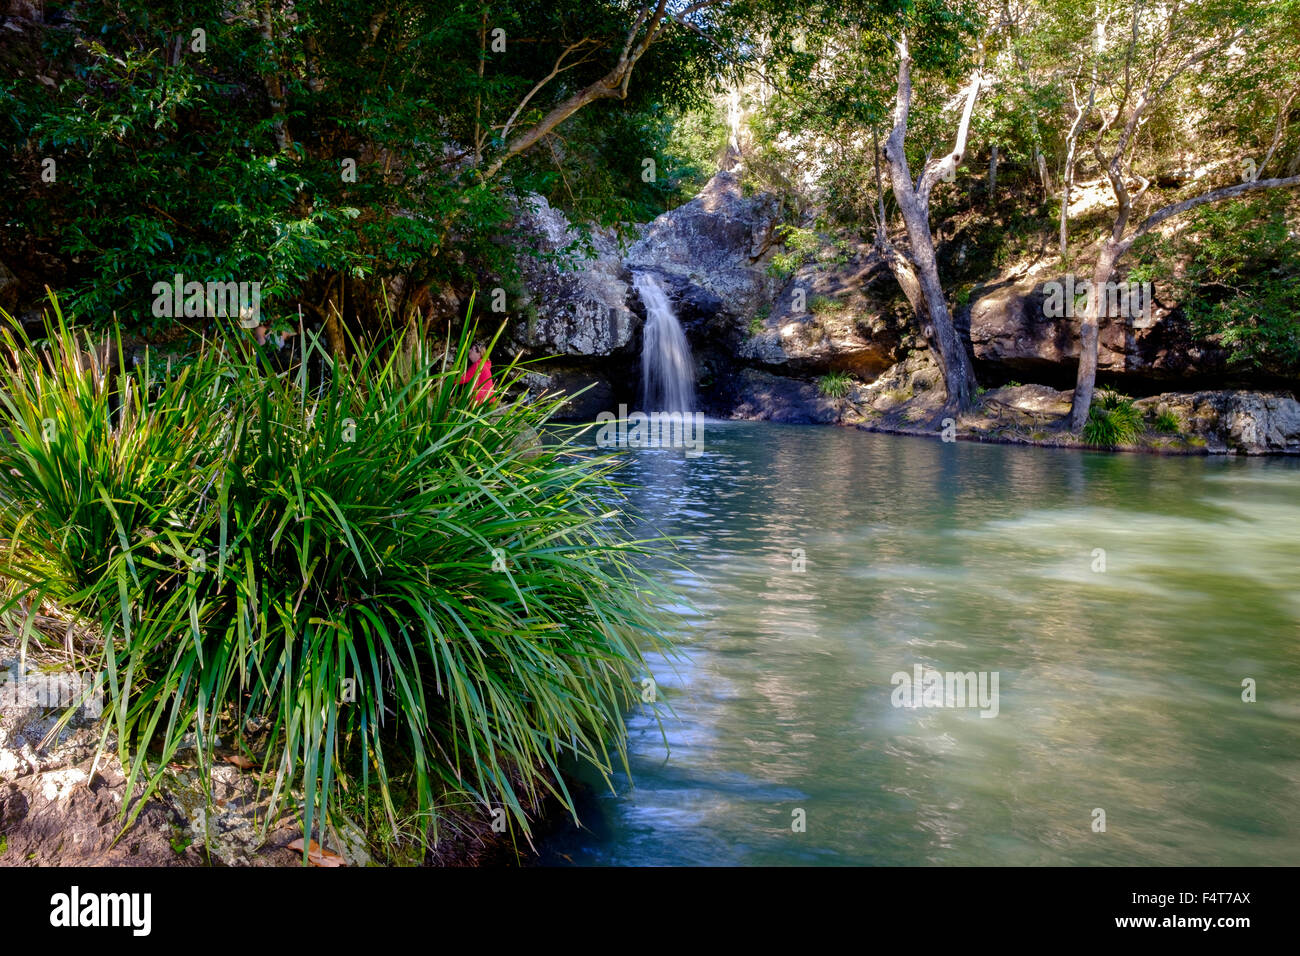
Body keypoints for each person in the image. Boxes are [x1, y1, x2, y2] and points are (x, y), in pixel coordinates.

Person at [459, 340, 495, 405]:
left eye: (472, 350)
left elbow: (464, 379)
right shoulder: (485, 364)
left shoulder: (478, 365)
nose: (469, 351)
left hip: (480, 399)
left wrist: (448, 380)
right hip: (489, 398)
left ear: (479, 353)